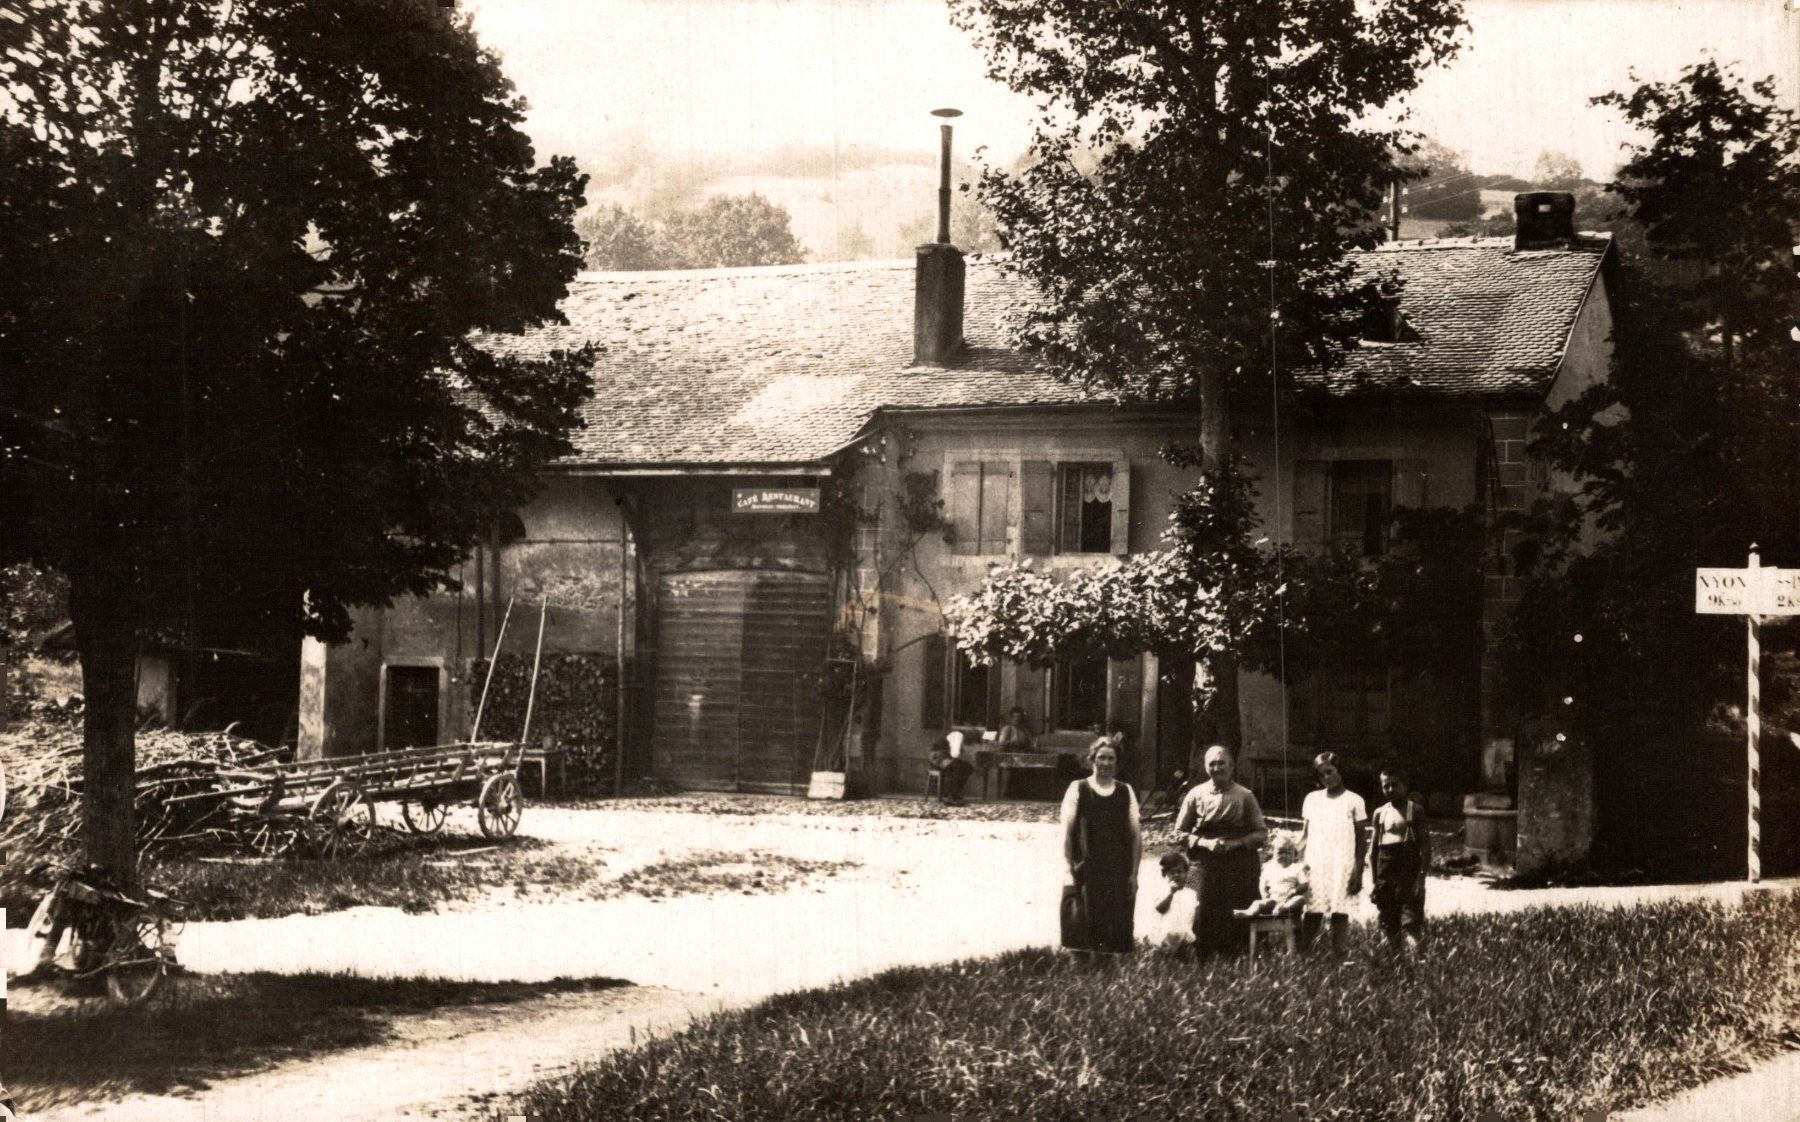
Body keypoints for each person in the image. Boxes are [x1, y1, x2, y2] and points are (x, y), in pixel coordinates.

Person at [1173, 744, 1268, 956]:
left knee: (1241, 899)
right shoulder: (1195, 795)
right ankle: (1202, 953)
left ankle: (1241, 951)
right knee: (1199, 900)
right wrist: (1205, 843)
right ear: (1206, 768)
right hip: (1204, 858)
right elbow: (1178, 833)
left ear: (1232, 766)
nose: (1217, 768)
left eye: (1221, 763)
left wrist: (1236, 843)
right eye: (1212, 764)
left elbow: (1261, 833)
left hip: (1239, 857)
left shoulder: (1245, 795)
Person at [1059, 738, 1141, 954]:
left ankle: (1107, 979)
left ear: (1117, 763)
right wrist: (1068, 869)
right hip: (1085, 870)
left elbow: (1135, 836)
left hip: (1117, 871)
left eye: (1111, 758)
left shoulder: (1126, 791)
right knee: (1080, 932)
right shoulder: (1078, 788)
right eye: (1101, 757)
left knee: (1113, 937)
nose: (1105, 763)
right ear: (1092, 759)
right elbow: (1066, 833)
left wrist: (1133, 873)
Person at [1300, 751, 1368, 952]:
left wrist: (1358, 871)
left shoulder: (1354, 800)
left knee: (1339, 911)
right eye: (1321, 775)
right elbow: (1304, 834)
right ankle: (1307, 954)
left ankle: (1339, 954)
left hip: (1342, 862)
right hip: (1317, 862)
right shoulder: (1312, 799)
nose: (1327, 778)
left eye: (1330, 771)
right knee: (1313, 910)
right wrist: (1296, 860)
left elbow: (1361, 840)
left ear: (1340, 771)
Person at [1369, 766, 1431, 951]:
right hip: (1385, 874)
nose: (1390, 790)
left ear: (1405, 786)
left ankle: (1419, 964)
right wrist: (1375, 882)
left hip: (1408, 874)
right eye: (1385, 786)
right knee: (1388, 922)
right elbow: (1373, 851)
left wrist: (1420, 879)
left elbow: (1426, 848)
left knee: (1411, 923)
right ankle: (1394, 965)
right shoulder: (1380, 813)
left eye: (1394, 785)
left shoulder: (1416, 811)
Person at [1242, 833, 1307, 916]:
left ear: (1294, 855)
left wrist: (1295, 890)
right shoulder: (1269, 868)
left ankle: (1284, 909)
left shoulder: (1297, 868)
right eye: (1280, 852)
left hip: (1289, 900)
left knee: (1300, 899)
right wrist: (1265, 895)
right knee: (1257, 903)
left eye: (1288, 853)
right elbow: (1262, 884)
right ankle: (1249, 912)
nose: (1284, 855)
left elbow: (1305, 884)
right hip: (1273, 899)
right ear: (1273, 853)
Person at [1148, 851, 1198, 951]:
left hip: (1184, 936)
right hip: (1164, 937)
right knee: (1164, 957)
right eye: (1172, 872)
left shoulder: (1191, 893)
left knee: (1187, 957)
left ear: (1186, 873)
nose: (1176, 875)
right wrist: (1171, 893)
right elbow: (1161, 909)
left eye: (1180, 872)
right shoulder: (1162, 890)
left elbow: (1194, 916)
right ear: (1164, 874)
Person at [928, 728, 974, 806]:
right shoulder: (958, 735)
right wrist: (957, 760)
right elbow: (955, 754)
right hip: (939, 756)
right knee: (958, 767)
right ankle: (951, 796)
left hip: (943, 756)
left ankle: (955, 794)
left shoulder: (959, 735)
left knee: (968, 768)